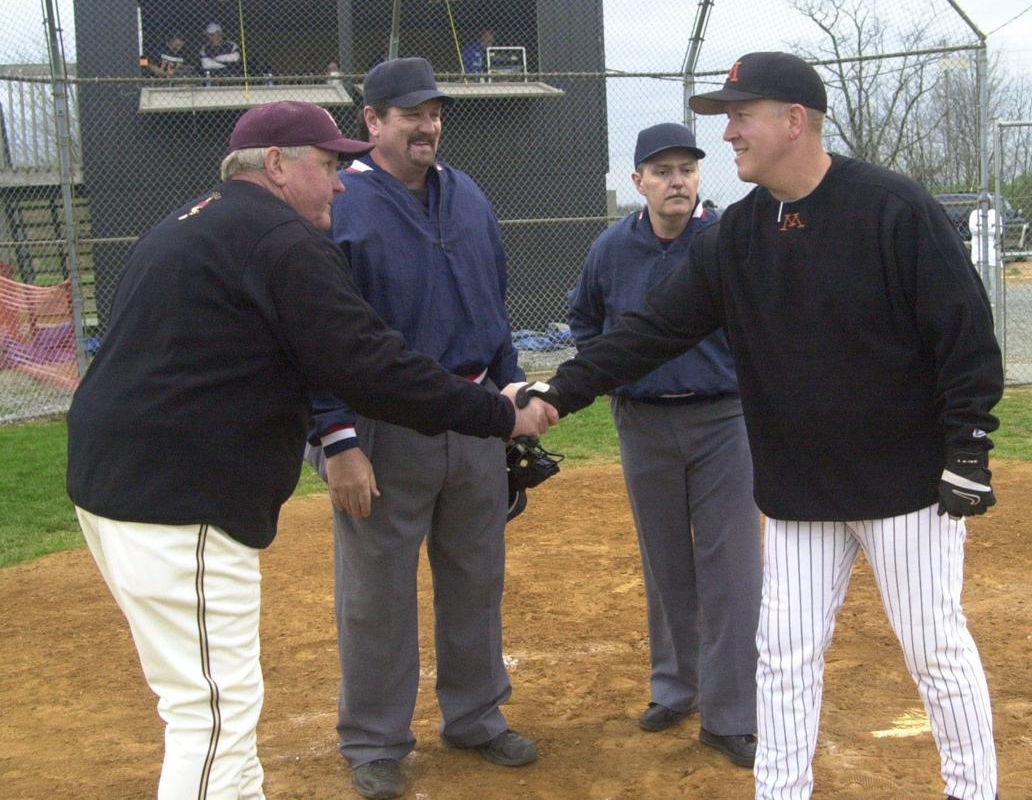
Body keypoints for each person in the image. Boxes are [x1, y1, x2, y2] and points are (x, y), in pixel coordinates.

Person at [522, 51, 1003, 800]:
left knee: (935, 650)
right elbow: (650, 331)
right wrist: (557, 393)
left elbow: (964, 330)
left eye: (740, 117)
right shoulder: (737, 236)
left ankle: (974, 791)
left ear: (794, 120)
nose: (729, 135)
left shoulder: (891, 207)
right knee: (782, 655)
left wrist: (969, 445)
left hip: (904, 485)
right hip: (798, 489)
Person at [65, 100, 554, 800]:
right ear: (275, 166)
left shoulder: (193, 220)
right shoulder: (278, 239)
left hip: (125, 486)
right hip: (179, 500)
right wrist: (494, 414)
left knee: (212, 703)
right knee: (212, 715)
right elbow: (368, 363)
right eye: (326, 164)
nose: (341, 181)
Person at [309, 56, 536, 800]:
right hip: (383, 427)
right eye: (410, 113)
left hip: (472, 418)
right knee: (376, 593)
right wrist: (335, 438)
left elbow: (492, 305)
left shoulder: (467, 194)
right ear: (371, 121)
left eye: (435, 111)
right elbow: (313, 336)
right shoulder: (343, 203)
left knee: (477, 576)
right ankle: (375, 740)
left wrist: (509, 387)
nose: (427, 125)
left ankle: (474, 713)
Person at [567, 123, 760, 768]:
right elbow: (585, 319)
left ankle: (732, 714)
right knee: (665, 563)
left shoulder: (728, 240)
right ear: (638, 182)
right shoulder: (611, 248)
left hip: (723, 418)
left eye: (687, 168)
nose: (677, 180)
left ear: (700, 178)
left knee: (732, 568)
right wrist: (610, 371)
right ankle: (676, 688)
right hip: (643, 421)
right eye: (663, 170)